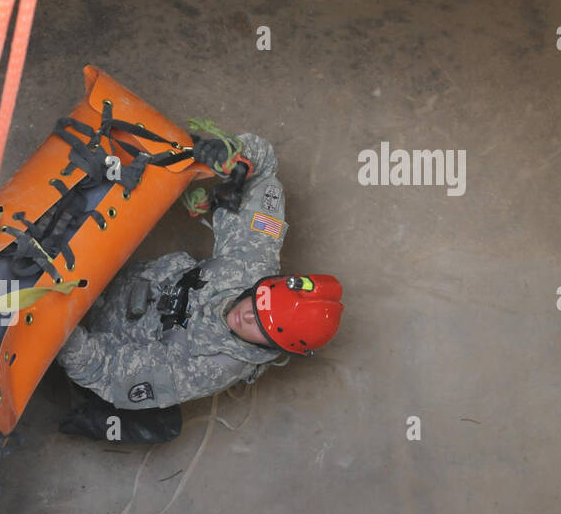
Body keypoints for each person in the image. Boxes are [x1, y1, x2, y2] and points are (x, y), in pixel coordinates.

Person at [55, 132, 344, 442]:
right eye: (258, 305)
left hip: (101, 333)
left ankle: (96, 417)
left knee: (138, 404)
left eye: (263, 328)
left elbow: (108, 372)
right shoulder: (253, 264)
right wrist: (235, 157)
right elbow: (264, 171)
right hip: (120, 274)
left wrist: (59, 333)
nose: (247, 317)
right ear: (265, 286)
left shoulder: (211, 368)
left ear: (272, 348)